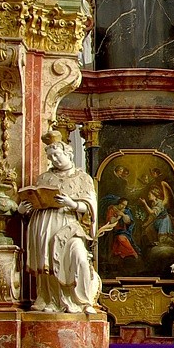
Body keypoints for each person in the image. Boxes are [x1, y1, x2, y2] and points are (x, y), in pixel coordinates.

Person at [19, 132, 102, 314]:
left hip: (69, 226)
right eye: (50, 157)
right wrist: (24, 209)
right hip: (44, 225)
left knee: (79, 257)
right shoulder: (45, 178)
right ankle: (51, 300)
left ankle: (83, 301)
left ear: (69, 154)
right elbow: (36, 201)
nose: (54, 159)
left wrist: (73, 204)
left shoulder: (82, 178)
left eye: (57, 155)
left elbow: (91, 206)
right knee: (48, 266)